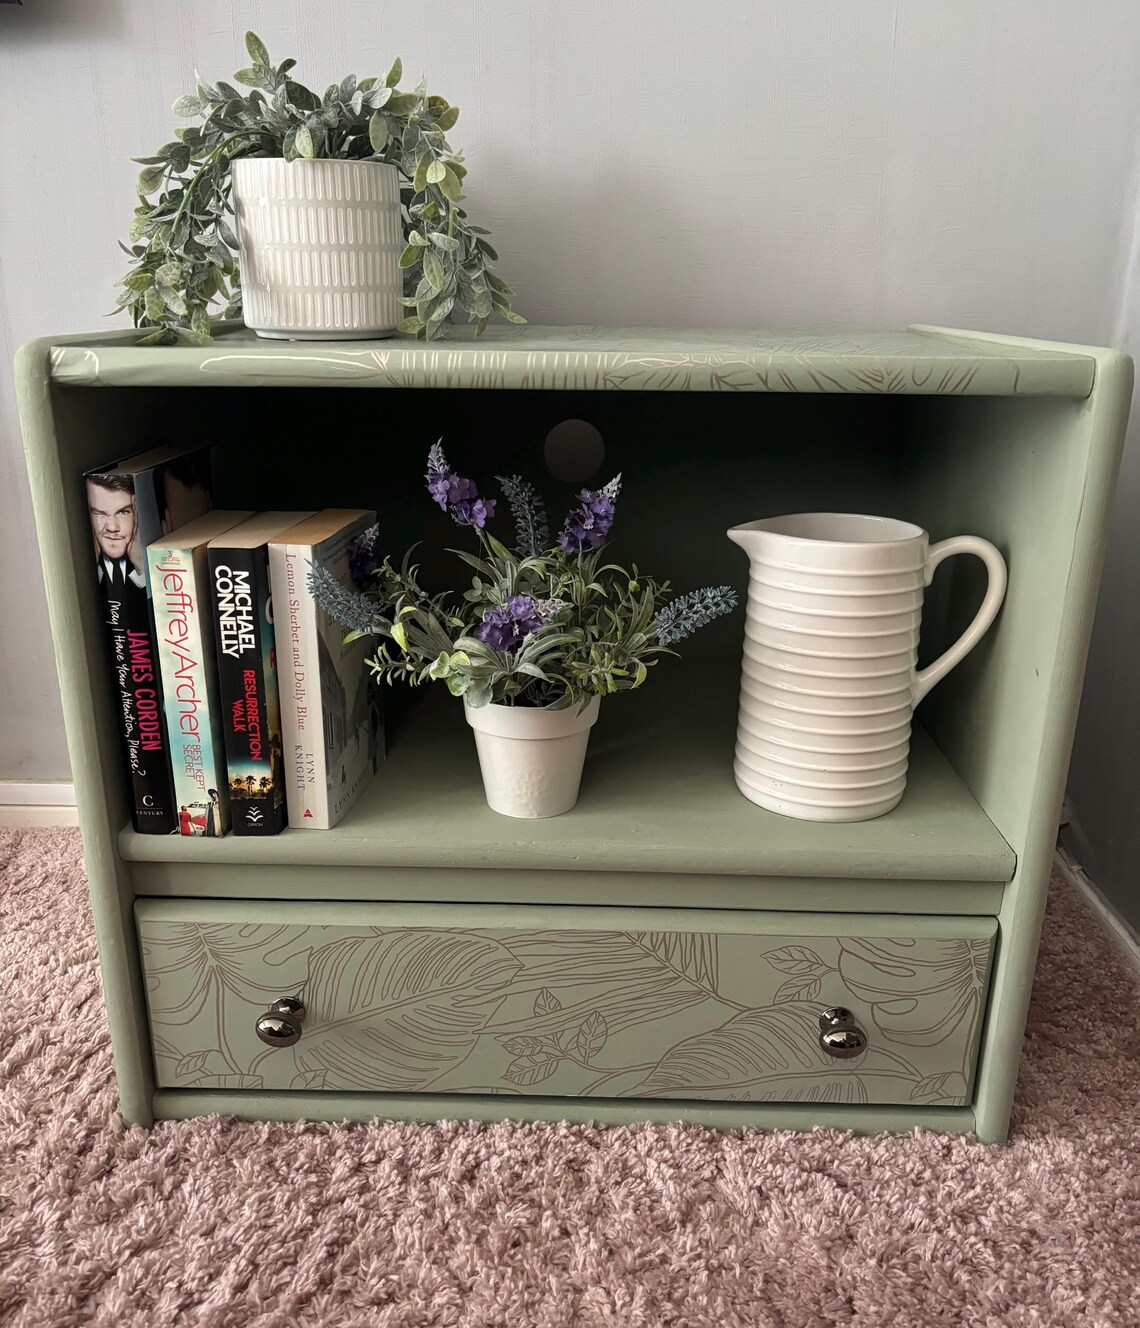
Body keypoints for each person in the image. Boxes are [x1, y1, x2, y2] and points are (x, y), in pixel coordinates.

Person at [86, 472, 147, 610]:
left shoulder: (144, 572)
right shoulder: (89, 571)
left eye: (123, 512)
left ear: (137, 513)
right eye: (99, 514)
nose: (112, 527)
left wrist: (142, 570)